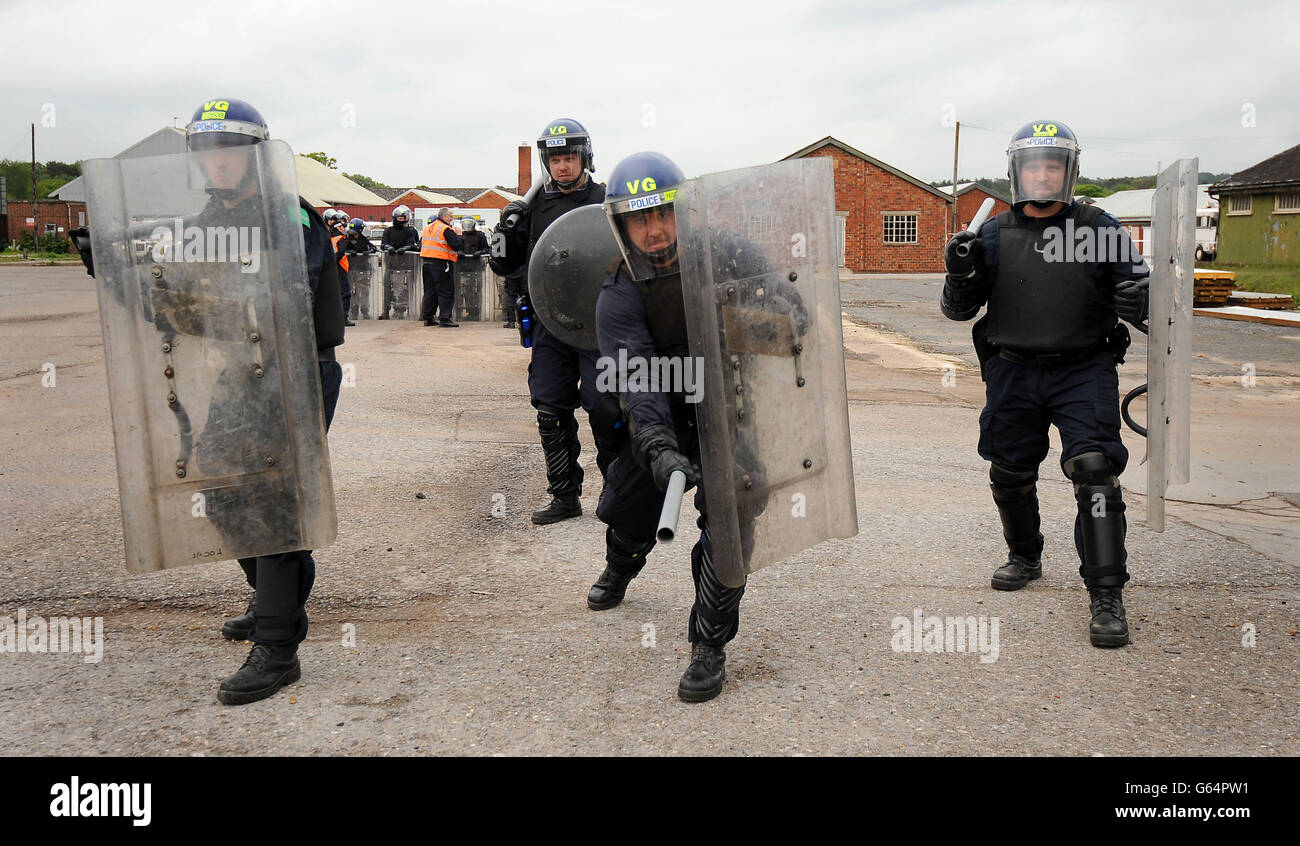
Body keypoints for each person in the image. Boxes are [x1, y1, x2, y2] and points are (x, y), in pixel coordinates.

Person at [941, 119, 1150, 648]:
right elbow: (957, 311)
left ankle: (1106, 594)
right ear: (1017, 172)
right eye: (1033, 165)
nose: (1042, 174)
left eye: (1052, 165)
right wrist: (958, 275)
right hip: (1013, 368)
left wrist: (1141, 300)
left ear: (1069, 172)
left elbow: (1149, 304)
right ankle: (1025, 554)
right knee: (1009, 471)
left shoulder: (1100, 228)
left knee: (1095, 471)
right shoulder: (991, 233)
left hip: (1084, 367)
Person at [591, 151, 759, 703]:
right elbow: (636, 377)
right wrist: (658, 448)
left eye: (663, 213)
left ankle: (709, 645)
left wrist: (764, 314)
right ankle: (620, 567)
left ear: (684, 212)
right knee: (635, 510)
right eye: (640, 218)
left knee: (732, 521)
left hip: (728, 409)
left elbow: (789, 315)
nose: (655, 229)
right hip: (660, 415)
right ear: (623, 225)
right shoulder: (618, 291)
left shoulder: (730, 255)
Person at [488, 118, 619, 524]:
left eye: (570, 157)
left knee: (605, 406)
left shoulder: (606, 200)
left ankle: (619, 494)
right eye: (556, 159)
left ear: (585, 158)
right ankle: (565, 495)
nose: (563, 166)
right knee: (549, 408)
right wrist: (505, 231)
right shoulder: (532, 208)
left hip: (600, 324)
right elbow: (504, 265)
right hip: (551, 321)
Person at [420, 208, 462, 327]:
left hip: (427, 262)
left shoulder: (428, 227)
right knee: (445, 291)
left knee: (430, 291)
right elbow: (457, 245)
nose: (452, 219)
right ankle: (444, 318)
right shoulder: (445, 229)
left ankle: (428, 317)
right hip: (441, 262)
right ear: (444, 216)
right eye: (450, 216)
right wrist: (459, 234)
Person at [380, 205, 420, 320]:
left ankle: (405, 309)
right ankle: (387, 310)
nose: (401, 220)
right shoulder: (388, 231)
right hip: (391, 264)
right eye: (399, 218)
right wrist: (388, 247)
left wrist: (407, 248)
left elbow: (415, 244)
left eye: (403, 218)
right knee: (390, 288)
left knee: (406, 288)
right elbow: (383, 243)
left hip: (408, 265)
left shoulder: (411, 231)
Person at [343, 217, 376, 320]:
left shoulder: (363, 239)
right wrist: (349, 251)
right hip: (352, 269)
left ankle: (365, 311)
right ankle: (354, 311)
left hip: (364, 269)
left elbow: (373, 247)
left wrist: (369, 252)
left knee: (365, 290)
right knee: (354, 292)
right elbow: (342, 249)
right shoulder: (347, 239)